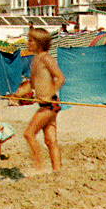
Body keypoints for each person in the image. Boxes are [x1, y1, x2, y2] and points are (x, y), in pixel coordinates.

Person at [23, 28, 65, 172]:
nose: (27, 43)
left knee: (29, 134)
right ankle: (57, 170)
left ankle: (39, 167)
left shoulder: (46, 58)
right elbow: (32, 84)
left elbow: (60, 78)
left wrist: (50, 94)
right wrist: (18, 94)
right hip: (47, 104)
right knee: (50, 140)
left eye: (30, 40)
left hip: (50, 104)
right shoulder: (35, 60)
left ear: (39, 43)